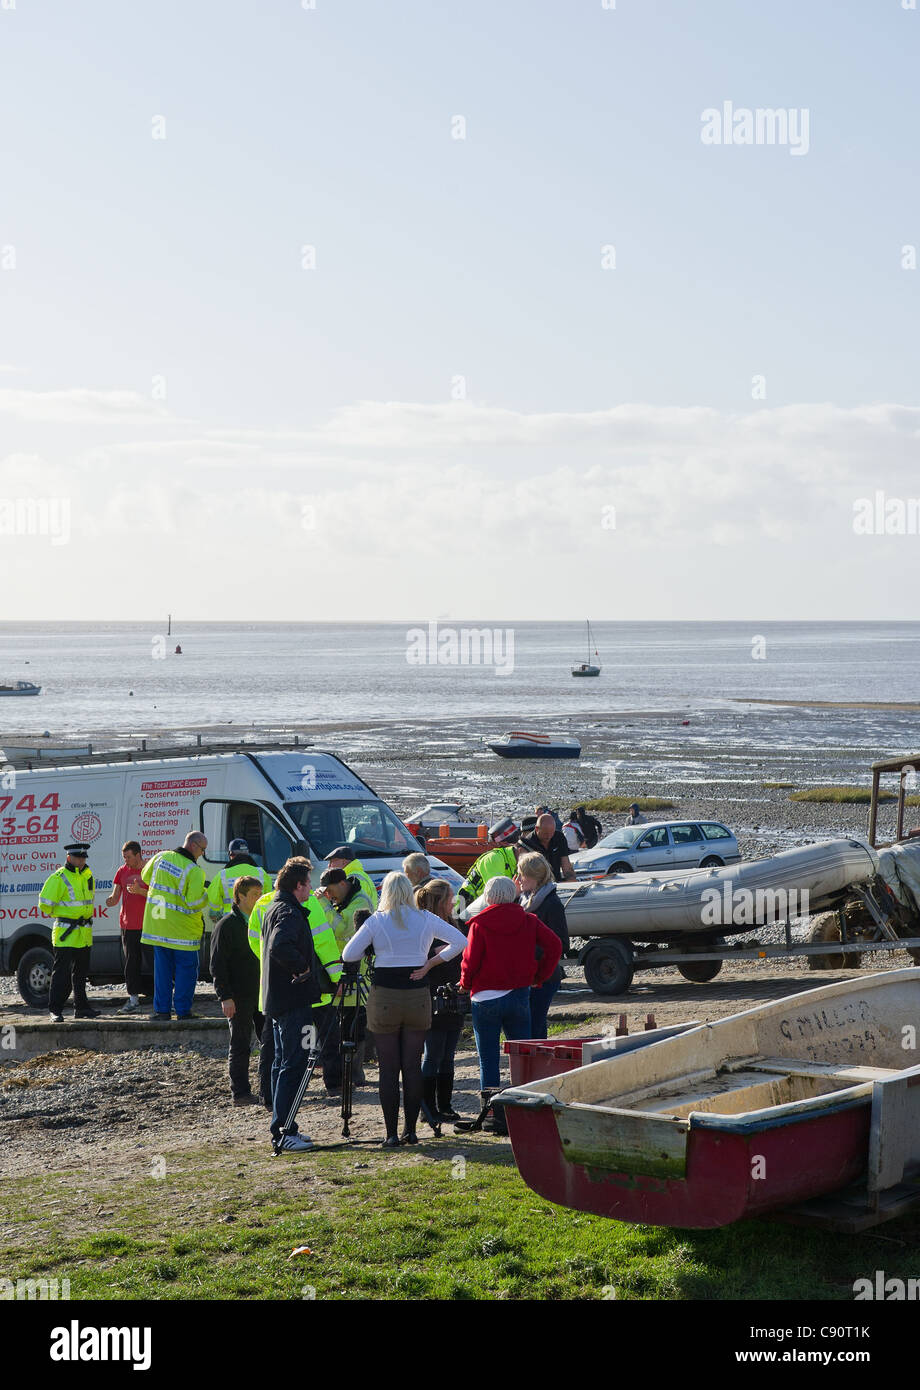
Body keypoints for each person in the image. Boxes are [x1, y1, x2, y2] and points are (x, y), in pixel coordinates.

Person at [341, 872, 466, 1147]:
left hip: (384, 996)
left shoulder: (377, 920)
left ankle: (391, 1134)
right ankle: (411, 1130)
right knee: (411, 1065)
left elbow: (349, 954)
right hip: (417, 996)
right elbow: (460, 942)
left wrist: (374, 949)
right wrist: (431, 963)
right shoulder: (425, 918)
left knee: (388, 1068)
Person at [459, 875, 562, 1124]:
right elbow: (555, 945)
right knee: (521, 1055)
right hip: (519, 994)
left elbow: (470, 961)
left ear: (489, 897)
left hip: (485, 997)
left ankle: (492, 1113)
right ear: (512, 894)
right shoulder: (529, 920)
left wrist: (465, 983)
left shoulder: (479, 924)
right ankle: (525, 1106)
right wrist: (540, 975)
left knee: (488, 1056)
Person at [262, 858, 324, 1153]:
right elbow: (279, 946)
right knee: (293, 1064)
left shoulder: (275, 907)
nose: (311, 888)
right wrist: (302, 968)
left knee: (281, 1064)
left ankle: (284, 1126)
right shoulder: (288, 911)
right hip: (292, 999)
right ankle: (283, 1130)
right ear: (298, 886)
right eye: (308, 883)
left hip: (279, 999)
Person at [139, 831, 208, 1021]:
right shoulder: (194, 871)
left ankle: (162, 1012)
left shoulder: (161, 856)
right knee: (186, 971)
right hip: (182, 931)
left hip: (158, 926)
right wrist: (205, 894)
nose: (202, 853)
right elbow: (194, 902)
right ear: (193, 846)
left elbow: (145, 877)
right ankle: (183, 1011)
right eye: (202, 849)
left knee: (162, 971)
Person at [316, 866, 375, 1088]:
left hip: (356, 975)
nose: (329, 896)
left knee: (354, 1025)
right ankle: (346, 1073)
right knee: (344, 1024)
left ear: (342, 884)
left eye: (330, 891)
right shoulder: (344, 899)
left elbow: (341, 929)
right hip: (342, 972)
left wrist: (323, 904)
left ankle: (355, 1074)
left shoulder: (360, 902)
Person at [415, 878, 466, 1126]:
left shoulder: (451, 924)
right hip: (434, 998)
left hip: (453, 998)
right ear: (440, 901)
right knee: (433, 1055)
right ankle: (428, 1109)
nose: (455, 901)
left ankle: (444, 1106)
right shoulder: (427, 927)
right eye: (450, 898)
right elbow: (428, 954)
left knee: (447, 1055)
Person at [210, 876, 264, 1105]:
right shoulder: (227, 926)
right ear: (240, 896)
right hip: (238, 996)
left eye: (261, 894)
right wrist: (225, 997)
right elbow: (217, 965)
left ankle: (268, 1088)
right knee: (241, 1044)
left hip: (262, 994)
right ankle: (240, 1093)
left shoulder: (261, 921)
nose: (260, 899)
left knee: (269, 1043)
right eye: (255, 895)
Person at [40, 843, 99, 1023]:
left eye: (83, 858)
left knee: (81, 974)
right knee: (61, 974)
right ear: (69, 858)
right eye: (77, 857)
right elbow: (44, 904)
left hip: (83, 933)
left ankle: (81, 1008)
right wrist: (63, 915)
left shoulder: (88, 875)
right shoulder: (59, 877)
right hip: (66, 933)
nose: (81, 861)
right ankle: (55, 1010)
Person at [515, 852, 570, 1039]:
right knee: (529, 1024)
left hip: (545, 975)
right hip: (526, 974)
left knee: (535, 1024)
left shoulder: (551, 903)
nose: (518, 879)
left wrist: (529, 950)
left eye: (521, 874)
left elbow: (563, 943)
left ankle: (539, 1064)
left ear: (534, 877)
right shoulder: (522, 900)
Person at [106, 840, 147, 1013]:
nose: (126, 861)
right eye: (124, 857)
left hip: (149, 924)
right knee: (131, 963)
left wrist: (140, 891)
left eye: (128, 857)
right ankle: (133, 999)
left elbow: (159, 894)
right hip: (128, 925)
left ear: (138, 854)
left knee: (156, 962)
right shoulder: (122, 871)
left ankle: (166, 998)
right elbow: (115, 896)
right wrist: (110, 901)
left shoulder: (149, 869)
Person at [457, 818, 521, 908]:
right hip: (464, 911)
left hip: (481, 907)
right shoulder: (494, 858)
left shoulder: (511, 860)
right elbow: (497, 895)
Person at [206, 838, 272, 922]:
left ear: (231, 855)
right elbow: (268, 900)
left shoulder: (222, 875)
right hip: (256, 922)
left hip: (231, 922)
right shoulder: (262, 873)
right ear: (247, 853)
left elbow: (214, 903)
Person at [519, 814, 576, 883]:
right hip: (539, 885)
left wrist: (571, 880)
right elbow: (529, 873)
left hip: (557, 881)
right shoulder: (528, 843)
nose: (549, 836)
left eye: (551, 833)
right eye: (545, 833)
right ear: (537, 829)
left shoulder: (559, 837)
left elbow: (566, 864)